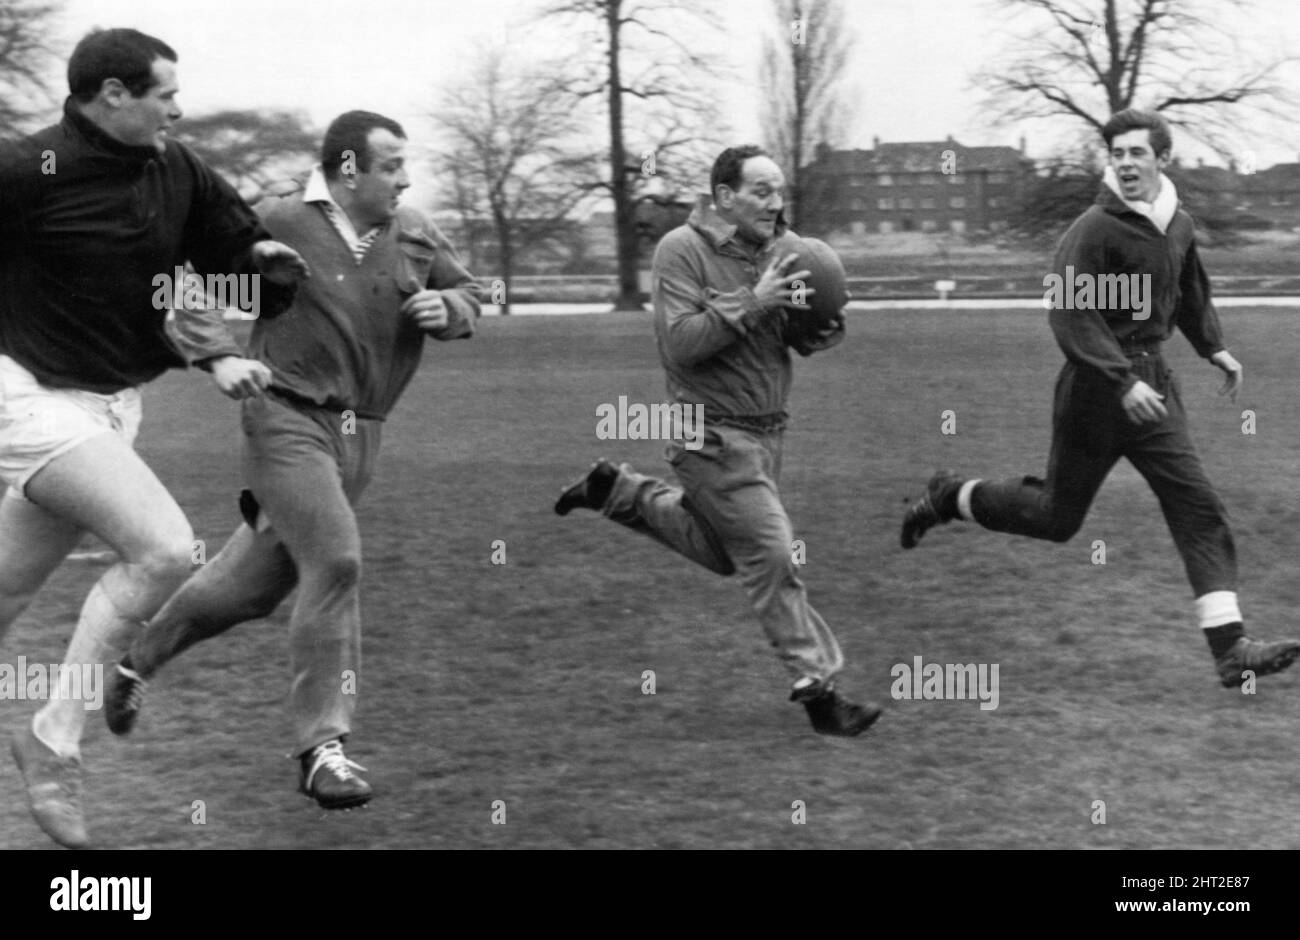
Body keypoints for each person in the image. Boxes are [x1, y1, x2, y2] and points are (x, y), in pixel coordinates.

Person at [104, 111, 481, 810]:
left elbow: (477, 292)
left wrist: (452, 306)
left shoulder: (417, 231)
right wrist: (219, 354)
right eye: (392, 164)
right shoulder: (276, 220)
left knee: (251, 589)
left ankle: (136, 661)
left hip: (362, 434)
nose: (406, 177)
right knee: (337, 561)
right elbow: (179, 285)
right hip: (285, 418)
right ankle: (321, 749)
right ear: (347, 170)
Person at [0, 27, 308, 848]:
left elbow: (231, 245)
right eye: (164, 93)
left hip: (109, 407)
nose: (179, 106)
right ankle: (52, 740)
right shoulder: (26, 170)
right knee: (166, 550)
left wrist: (265, 259)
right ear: (111, 94)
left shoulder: (177, 169)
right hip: (21, 394)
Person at [900, 109, 1300, 688]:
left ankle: (1231, 649)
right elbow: (1070, 312)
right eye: (1118, 153)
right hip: (1096, 391)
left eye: (1138, 153)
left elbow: (1187, 289)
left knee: (1198, 508)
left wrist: (1214, 347)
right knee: (1056, 518)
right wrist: (1121, 379)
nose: (1127, 163)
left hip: (1154, 388)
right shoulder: (1091, 230)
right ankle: (949, 497)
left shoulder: (1176, 223)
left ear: (1162, 159)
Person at [555, 145, 881, 736]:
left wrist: (820, 326)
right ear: (724, 196)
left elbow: (786, 336)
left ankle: (617, 492)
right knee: (773, 554)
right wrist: (754, 299)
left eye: (779, 190)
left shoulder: (780, 251)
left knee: (726, 554)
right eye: (760, 190)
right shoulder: (682, 251)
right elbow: (680, 342)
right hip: (707, 432)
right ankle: (820, 690)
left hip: (767, 433)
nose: (774, 202)